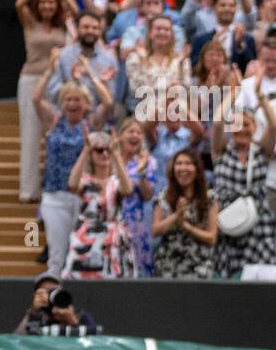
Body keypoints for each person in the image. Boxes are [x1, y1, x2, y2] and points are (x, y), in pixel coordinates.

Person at [31, 71, 116, 273]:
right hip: (54, 195)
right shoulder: (53, 121)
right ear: (62, 103)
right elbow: (35, 99)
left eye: (77, 100)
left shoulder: (91, 124)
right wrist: (50, 70)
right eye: (68, 99)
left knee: (80, 251)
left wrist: (91, 74)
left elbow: (108, 103)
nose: (72, 104)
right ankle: (54, 289)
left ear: (86, 104)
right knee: (56, 255)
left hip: (83, 195)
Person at [16, 0, 73, 203]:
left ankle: (54, 185)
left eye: (51, 2)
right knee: (30, 134)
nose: (47, 5)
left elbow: (76, 10)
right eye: (43, 2)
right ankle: (28, 190)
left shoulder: (63, 24)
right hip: (31, 79)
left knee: (57, 133)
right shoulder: (30, 22)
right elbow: (20, 3)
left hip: (57, 81)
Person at [212, 111, 276, 277]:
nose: (241, 129)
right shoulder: (221, 151)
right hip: (228, 220)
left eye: (246, 124)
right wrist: (232, 96)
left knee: (262, 273)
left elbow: (273, 125)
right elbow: (217, 122)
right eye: (236, 124)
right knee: (229, 275)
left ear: (255, 127)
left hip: (258, 221)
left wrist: (261, 98)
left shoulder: (261, 152)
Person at [62, 131, 135, 280]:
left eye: (107, 150)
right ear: (91, 155)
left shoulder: (116, 181)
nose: (104, 154)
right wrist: (85, 151)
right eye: (99, 150)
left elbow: (128, 190)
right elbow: (72, 184)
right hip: (87, 239)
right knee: (81, 280)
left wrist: (116, 154)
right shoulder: (85, 180)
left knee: (115, 281)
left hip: (113, 240)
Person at [152, 148, 219, 279]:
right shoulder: (163, 196)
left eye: (188, 163)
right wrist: (175, 216)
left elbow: (211, 238)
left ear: (197, 169)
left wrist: (185, 226)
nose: (183, 168)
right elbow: (155, 230)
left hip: (199, 265)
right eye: (179, 163)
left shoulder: (209, 198)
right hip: (168, 264)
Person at [115, 119, 161, 278]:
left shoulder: (149, 161)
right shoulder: (109, 158)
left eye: (139, 133)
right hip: (112, 222)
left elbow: (148, 196)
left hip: (136, 224)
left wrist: (141, 173)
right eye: (131, 131)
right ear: (120, 136)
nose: (135, 135)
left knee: (138, 272)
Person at [15, 273, 99, 336]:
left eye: (54, 290)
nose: (51, 294)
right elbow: (18, 341)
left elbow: (95, 342)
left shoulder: (80, 315)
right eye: (46, 291)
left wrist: (73, 322)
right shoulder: (36, 316)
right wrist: (33, 312)